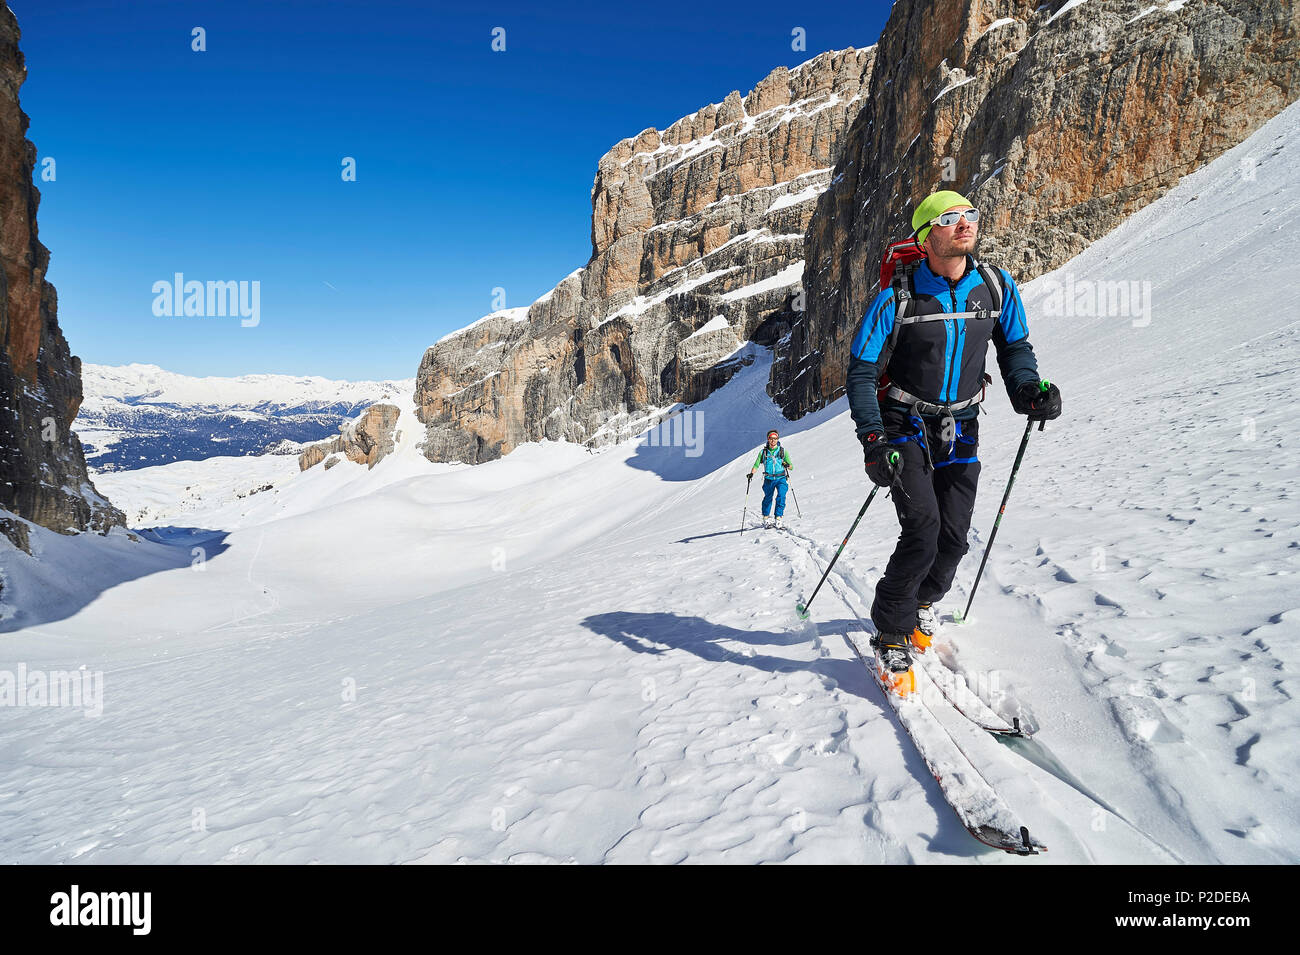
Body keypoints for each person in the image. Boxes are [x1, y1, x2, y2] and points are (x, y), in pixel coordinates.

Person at [845, 190, 1062, 684]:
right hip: (902, 421)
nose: (964, 223)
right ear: (925, 238)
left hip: (960, 424)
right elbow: (860, 374)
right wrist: (873, 440)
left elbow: (1014, 348)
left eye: (970, 214)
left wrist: (1029, 391)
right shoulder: (896, 299)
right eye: (949, 218)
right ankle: (891, 629)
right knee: (921, 528)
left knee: (954, 536)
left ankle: (923, 601)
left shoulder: (995, 286)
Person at [749, 430, 792, 529]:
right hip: (768, 479)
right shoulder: (763, 452)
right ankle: (766, 519)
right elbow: (756, 465)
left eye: (775, 439)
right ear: (768, 439)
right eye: (771, 439)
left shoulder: (783, 451)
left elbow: (791, 467)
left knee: (781, 496)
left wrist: (787, 465)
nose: (773, 441)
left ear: (778, 439)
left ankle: (778, 519)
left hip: (781, 478)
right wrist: (751, 474)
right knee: (768, 498)